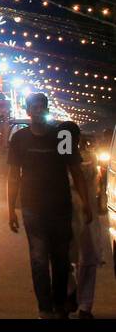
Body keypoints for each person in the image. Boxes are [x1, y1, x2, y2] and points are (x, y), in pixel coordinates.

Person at [7, 92, 93, 319]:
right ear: (27, 111)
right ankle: (45, 309)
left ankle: (59, 306)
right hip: (32, 209)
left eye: (42, 106)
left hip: (60, 208)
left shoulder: (61, 136)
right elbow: (13, 175)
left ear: (47, 109)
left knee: (61, 260)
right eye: (33, 107)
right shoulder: (20, 139)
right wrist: (10, 210)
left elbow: (75, 170)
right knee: (38, 259)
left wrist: (85, 202)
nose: (38, 110)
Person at [67, 136, 108, 318]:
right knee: (68, 259)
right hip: (73, 214)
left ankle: (84, 305)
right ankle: (74, 296)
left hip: (85, 214)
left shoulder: (90, 157)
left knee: (86, 260)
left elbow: (98, 185)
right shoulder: (65, 159)